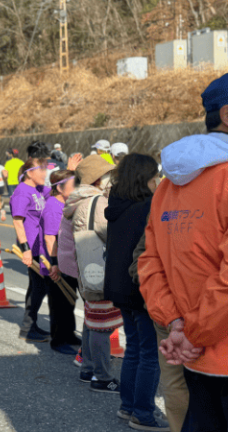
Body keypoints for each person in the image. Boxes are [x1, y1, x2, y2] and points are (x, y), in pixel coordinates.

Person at [140, 73, 228, 432]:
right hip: (202, 343)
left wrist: (177, 323)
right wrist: (194, 332)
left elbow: (150, 262)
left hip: (195, 355)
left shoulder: (166, 188)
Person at [103, 154, 168, 431]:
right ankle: (143, 412)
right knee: (149, 353)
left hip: (118, 285)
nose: (158, 181)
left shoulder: (117, 204)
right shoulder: (148, 207)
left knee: (133, 350)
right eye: (155, 176)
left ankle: (127, 405)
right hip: (141, 285)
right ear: (146, 178)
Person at [63, 155, 122, 393]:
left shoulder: (80, 199)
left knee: (91, 321)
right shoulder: (97, 202)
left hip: (86, 268)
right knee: (101, 325)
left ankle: (87, 368)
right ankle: (102, 376)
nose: (111, 179)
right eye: (108, 175)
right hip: (100, 269)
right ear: (99, 179)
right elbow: (108, 232)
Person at [10, 158, 51, 343]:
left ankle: (30, 326)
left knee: (38, 286)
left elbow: (59, 190)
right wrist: (25, 248)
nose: (45, 173)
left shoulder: (39, 189)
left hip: (40, 244)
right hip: (30, 244)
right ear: (29, 173)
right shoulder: (22, 191)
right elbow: (18, 222)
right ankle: (27, 328)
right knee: (38, 286)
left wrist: (71, 171)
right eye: (41, 170)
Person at [42, 169, 81, 355]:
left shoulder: (67, 203)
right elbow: (50, 238)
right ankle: (58, 340)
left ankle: (69, 334)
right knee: (59, 303)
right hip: (56, 261)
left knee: (70, 300)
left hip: (68, 260)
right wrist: (54, 263)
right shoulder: (52, 206)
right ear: (59, 187)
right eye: (74, 185)